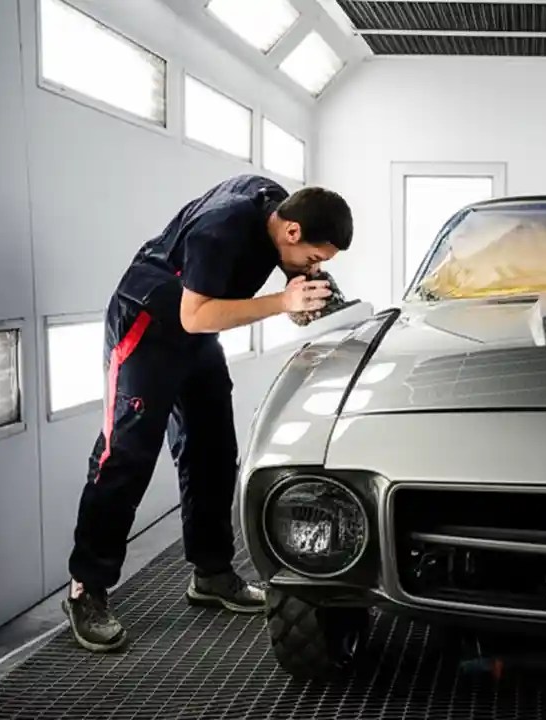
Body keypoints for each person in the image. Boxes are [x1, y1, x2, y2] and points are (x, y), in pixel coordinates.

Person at [63, 174, 353, 652]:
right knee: (126, 456)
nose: (314, 268)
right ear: (294, 233)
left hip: (196, 339)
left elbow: (206, 317)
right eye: (314, 259)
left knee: (214, 448)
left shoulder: (274, 204)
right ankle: (85, 589)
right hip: (150, 326)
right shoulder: (220, 230)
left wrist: (303, 284)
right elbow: (193, 314)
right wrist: (283, 302)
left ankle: (212, 573)